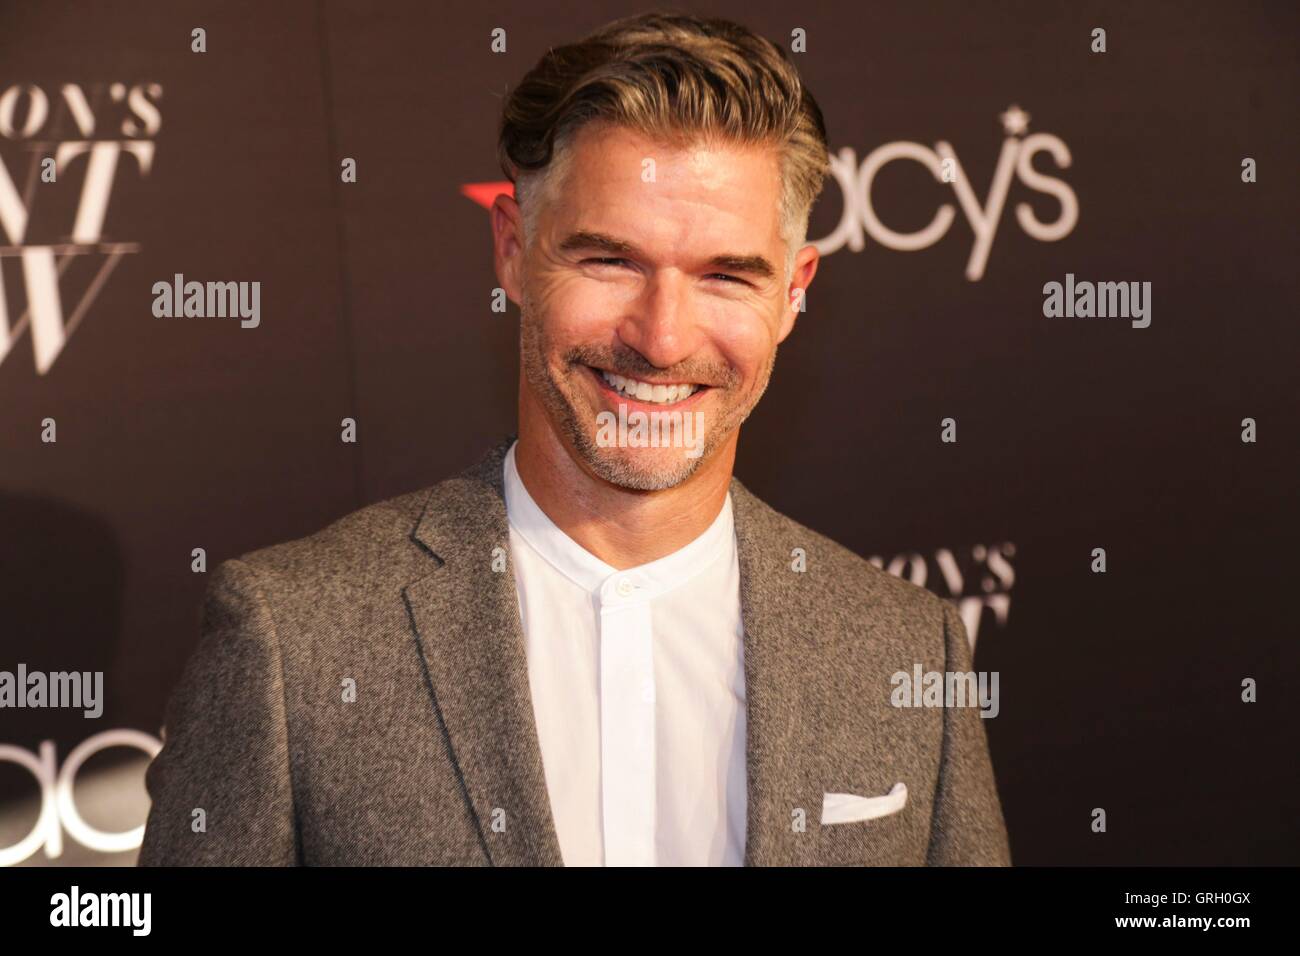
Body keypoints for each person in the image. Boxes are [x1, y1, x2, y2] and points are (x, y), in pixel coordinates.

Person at [138, 12, 1010, 867]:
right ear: (514, 250)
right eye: (610, 261)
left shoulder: (907, 652)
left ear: (793, 292)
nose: (663, 339)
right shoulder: (294, 640)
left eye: (725, 276)